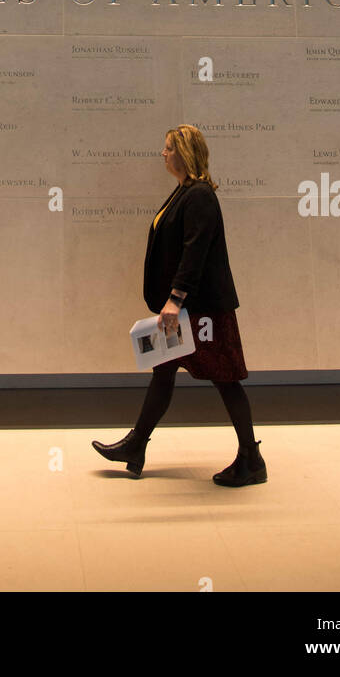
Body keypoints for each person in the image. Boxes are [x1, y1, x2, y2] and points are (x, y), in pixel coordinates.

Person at [92, 124, 267, 486]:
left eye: (168, 147)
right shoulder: (184, 192)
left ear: (184, 152)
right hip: (187, 309)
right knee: (164, 370)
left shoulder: (199, 194)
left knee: (225, 379)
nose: (163, 153)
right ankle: (136, 445)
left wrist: (175, 299)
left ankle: (251, 459)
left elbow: (195, 251)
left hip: (202, 310)